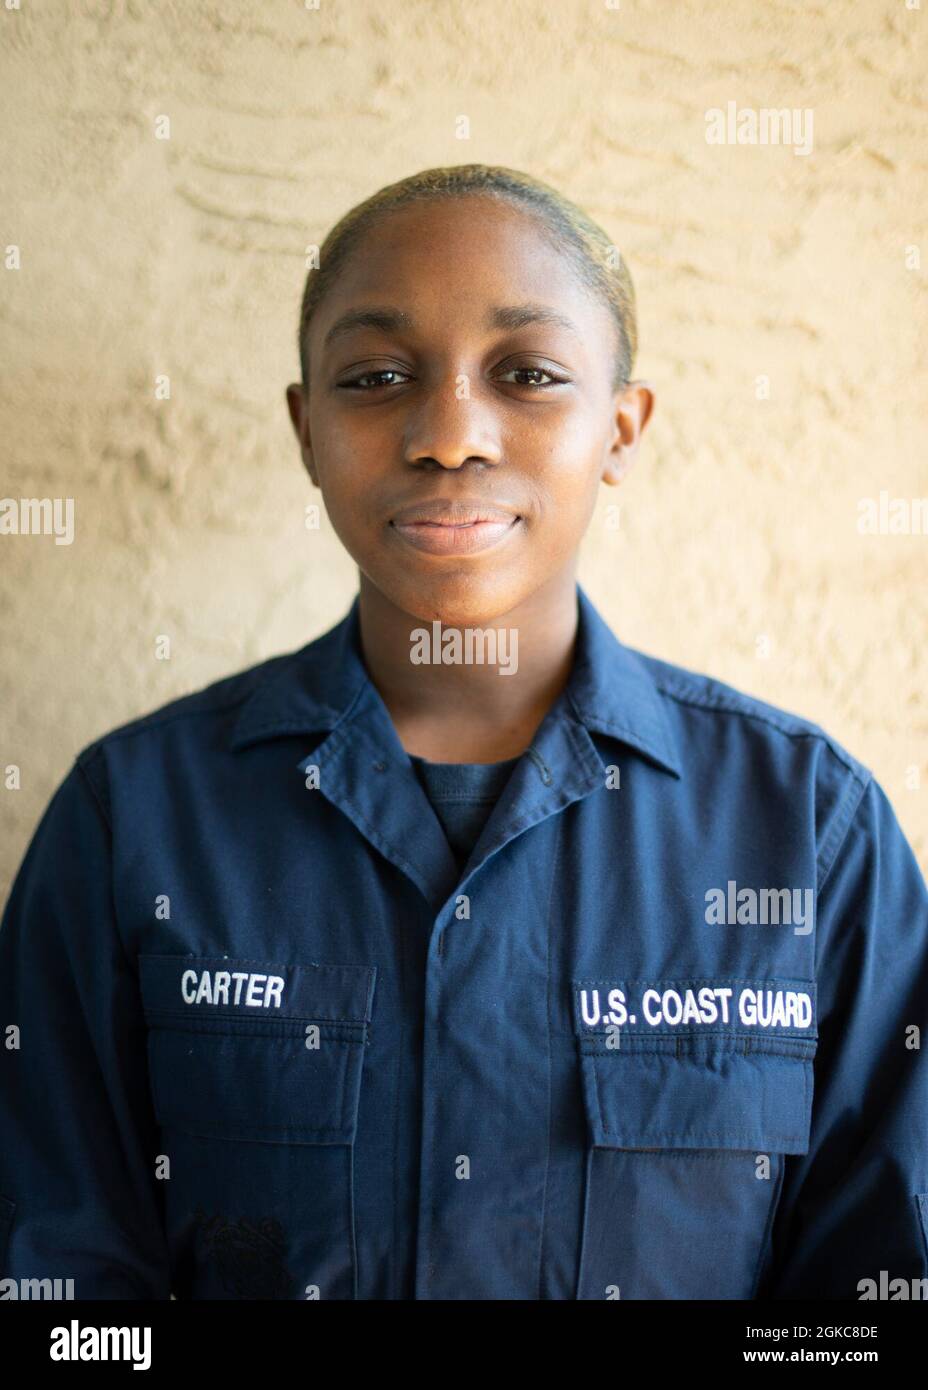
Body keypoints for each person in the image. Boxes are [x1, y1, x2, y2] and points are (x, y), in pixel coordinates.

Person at [1, 164, 926, 1301]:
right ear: (305, 428)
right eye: (376, 375)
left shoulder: (810, 834)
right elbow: (59, 1292)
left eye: (528, 374)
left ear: (621, 430)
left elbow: (876, 1295)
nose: (448, 435)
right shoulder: (131, 821)